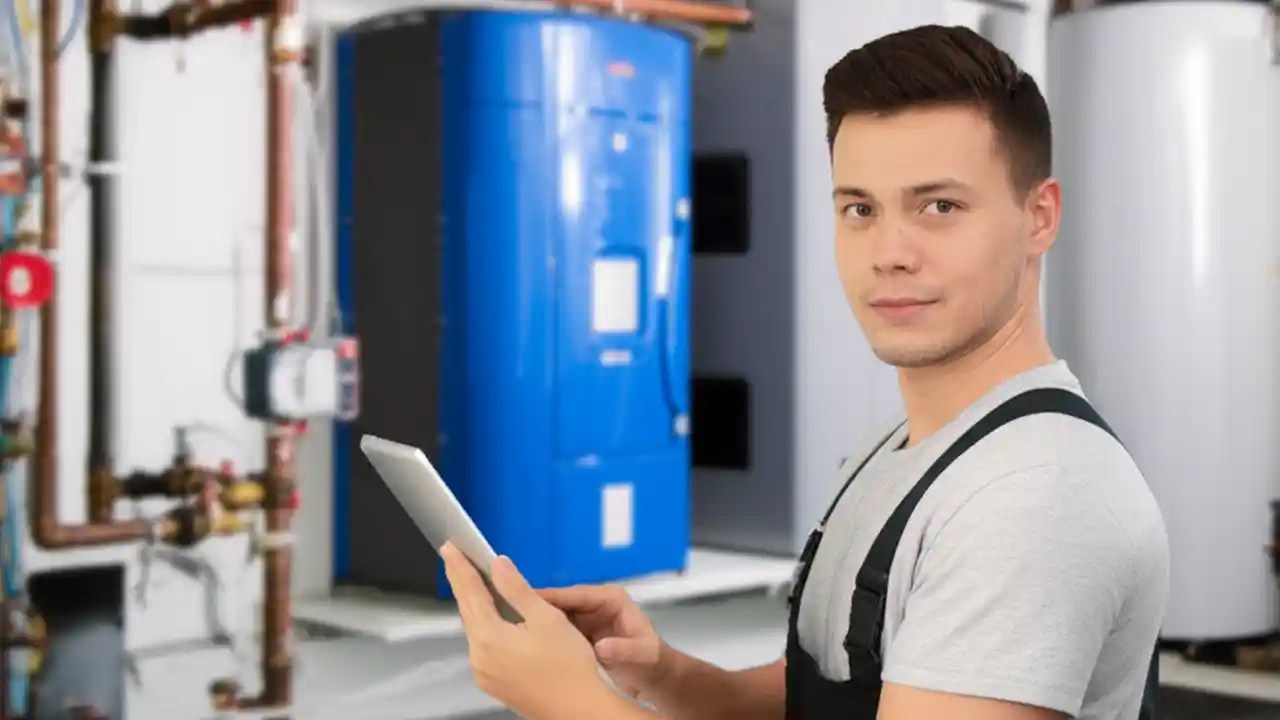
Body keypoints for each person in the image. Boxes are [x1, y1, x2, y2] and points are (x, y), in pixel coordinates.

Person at [440, 23, 1170, 720]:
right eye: (860, 209)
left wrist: (569, 701)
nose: (890, 251)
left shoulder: (1034, 496)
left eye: (939, 206)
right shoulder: (902, 452)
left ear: (1039, 217)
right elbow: (852, 697)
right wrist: (663, 674)